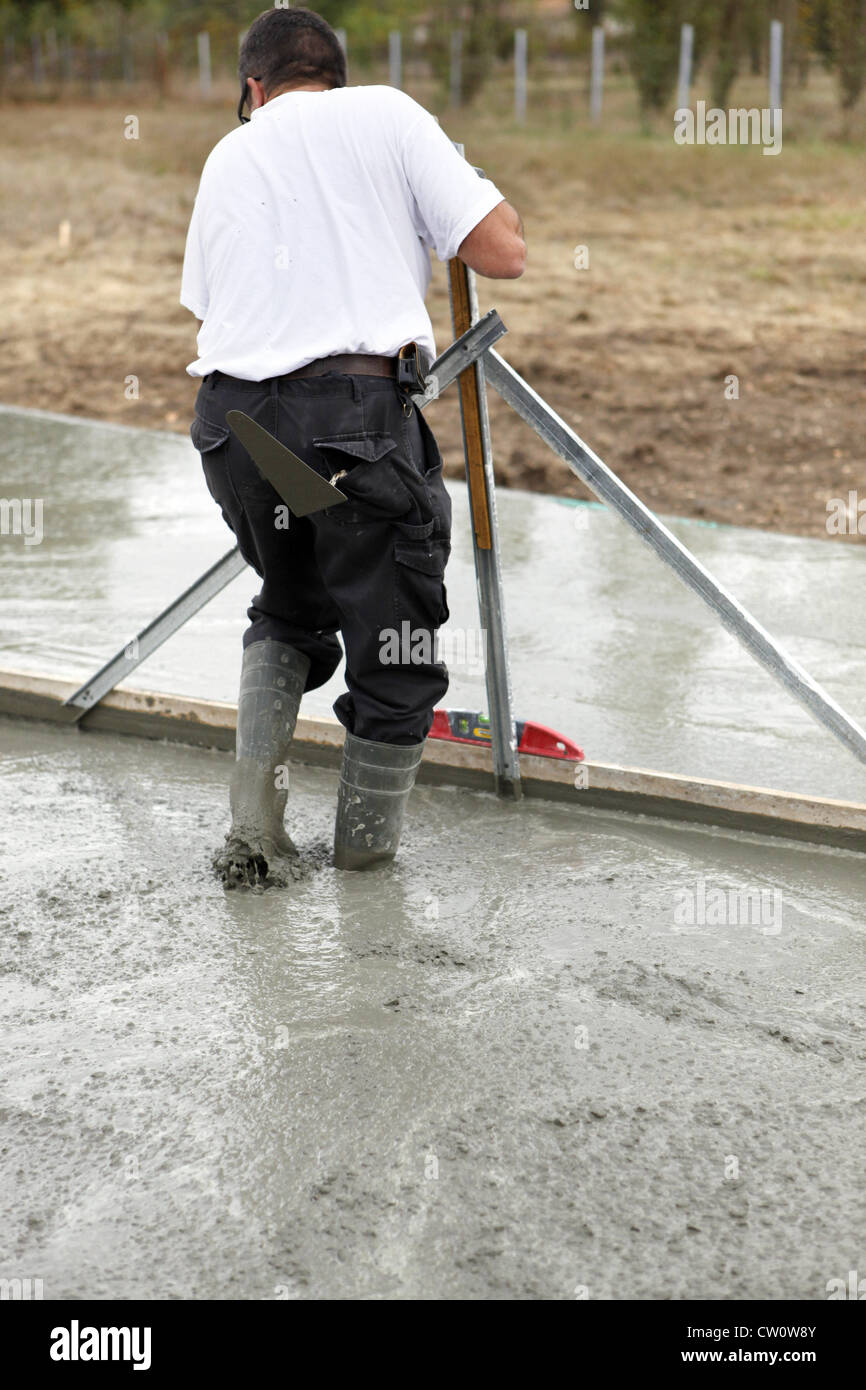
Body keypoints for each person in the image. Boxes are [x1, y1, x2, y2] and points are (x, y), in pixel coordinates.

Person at [181, 6, 525, 887]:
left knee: (290, 607)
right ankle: (365, 889)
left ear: (252, 89)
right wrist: (463, 182)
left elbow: (210, 306)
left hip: (235, 428)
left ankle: (253, 838)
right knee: (398, 654)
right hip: (354, 427)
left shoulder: (229, 154)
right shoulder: (388, 113)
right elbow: (502, 251)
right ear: (334, 71)